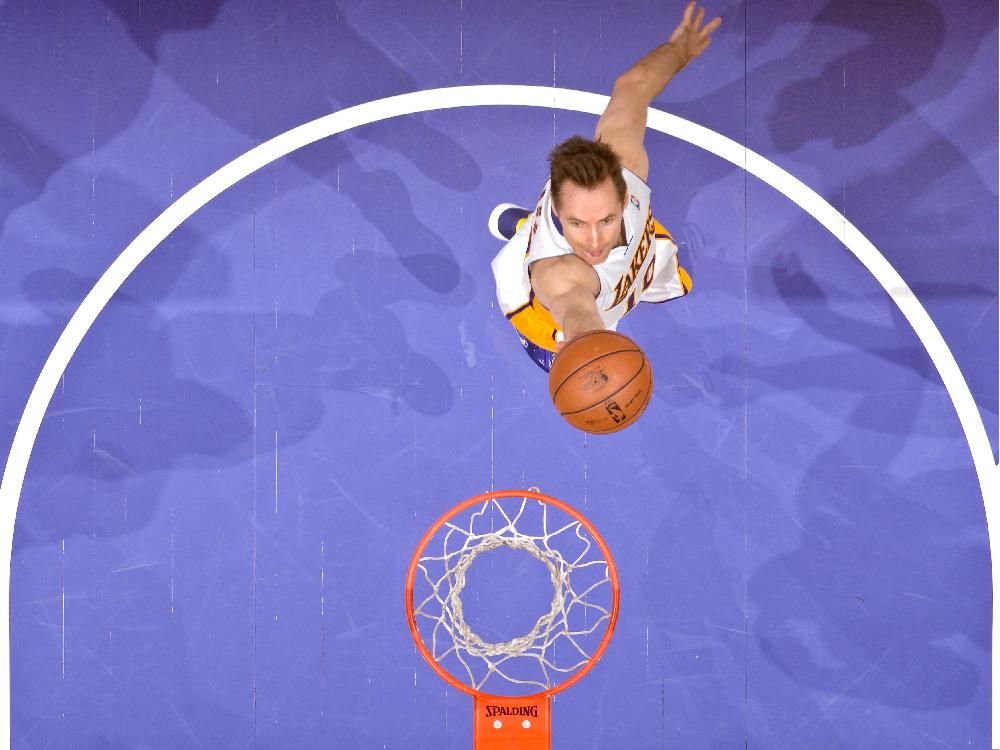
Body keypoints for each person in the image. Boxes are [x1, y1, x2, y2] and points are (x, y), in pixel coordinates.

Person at [490, 2, 721, 372]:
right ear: (558, 211)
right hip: (551, 322)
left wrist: (681, 49)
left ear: (625, 196)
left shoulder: (626, 163)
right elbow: (578, 310)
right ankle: (527, 234)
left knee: (677, 278)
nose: (594, 242)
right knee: (560, 361)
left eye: (606, 219)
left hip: (630, 264)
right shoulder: (557, 275)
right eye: (577, 223)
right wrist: (587, 345)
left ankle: (524, 228)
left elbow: (634, 87)